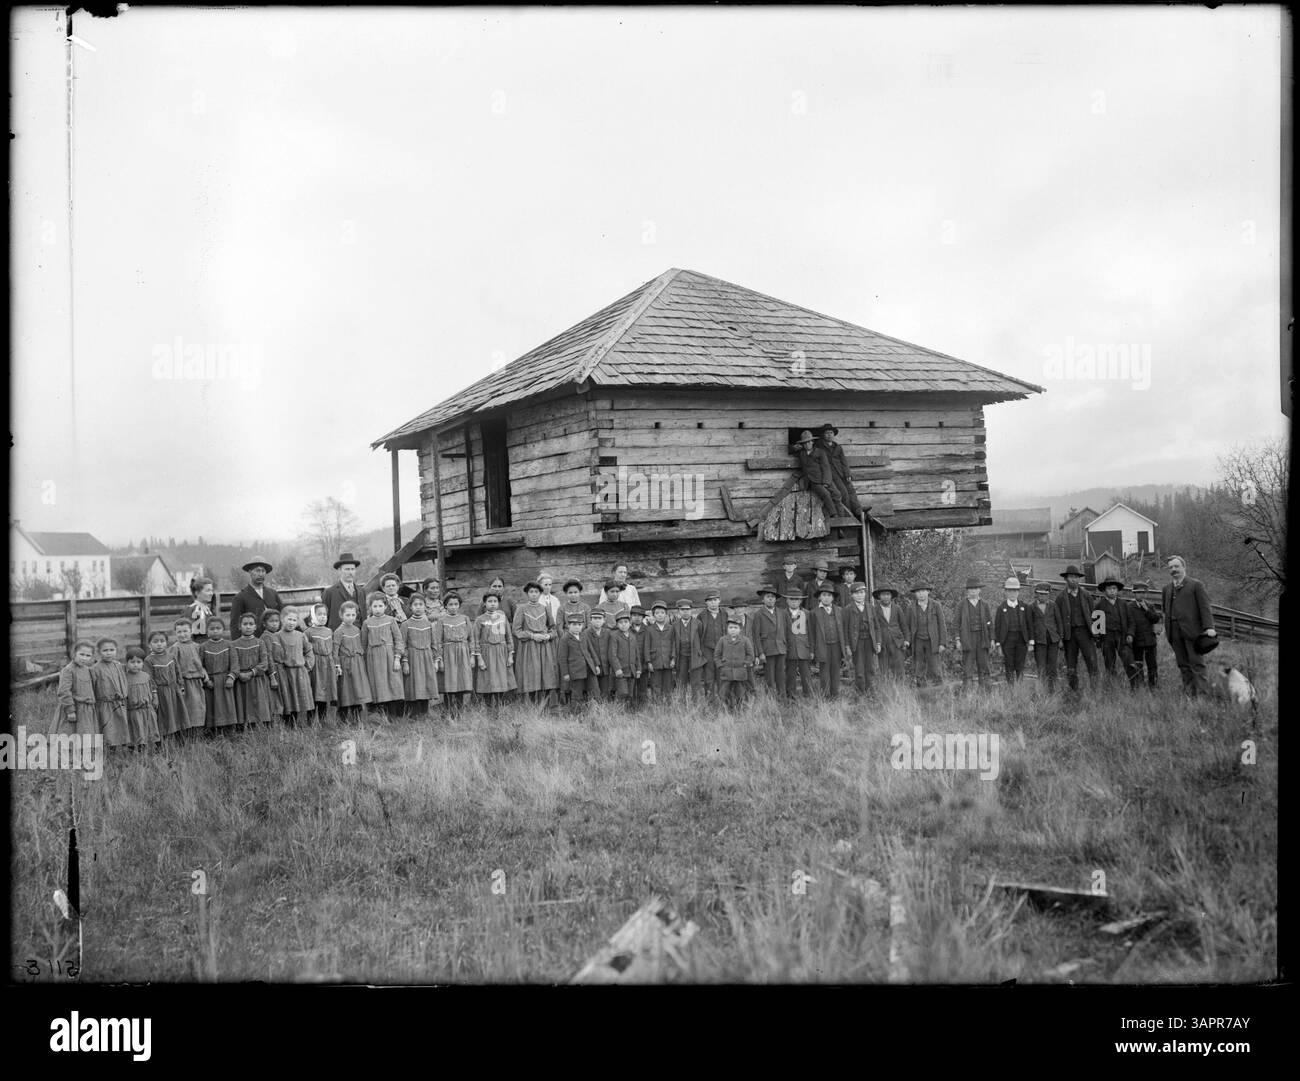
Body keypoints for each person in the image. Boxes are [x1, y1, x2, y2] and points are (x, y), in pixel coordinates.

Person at [1162, 556, 1216, 696]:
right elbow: (1165, 611)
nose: (1173, 570)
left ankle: (1203, 696)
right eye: (1171, 567)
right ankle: (1189, 695)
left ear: (1184, 567)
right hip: (1174, 633)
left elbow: (1204, 607)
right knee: (1183, 665)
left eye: (1176, 566)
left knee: (1197, 664)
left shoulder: (1196, 585)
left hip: (1193, 632)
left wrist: (1209, 628)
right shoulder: (1166, 589)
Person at [1053, 566, 1100, 692]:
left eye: (1076, 577)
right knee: (1071, 665)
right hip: (1069, 635)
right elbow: (1057, 620)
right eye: (1071, 577)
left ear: (1078, 579)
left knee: (1092, 661)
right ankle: (1074, 691)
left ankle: (1096, 690)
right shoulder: (1060, 598)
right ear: (1066, 579)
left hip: (1085, 633)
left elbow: (1095, 614)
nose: (1073, 580)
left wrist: (1097, 634)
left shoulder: (1086, 595)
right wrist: (1060, 638)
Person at [513, 581, 559, 706]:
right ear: (527, 594)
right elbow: (516, 630)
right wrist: (532, 636)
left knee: (547, 675)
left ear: (540, 593)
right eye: (531, 592)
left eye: (536, 592)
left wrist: (548, 635)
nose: (534, 594)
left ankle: (546, 707)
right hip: (529, 648)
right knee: (532, 675)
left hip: (545, 647)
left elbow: (553, 628)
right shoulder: (522, 608)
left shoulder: (545, 608)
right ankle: (532, 707)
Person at [362, 592, 405, 722]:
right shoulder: (367, 623)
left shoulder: (391, 620)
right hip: (373, 657)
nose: (378, 609)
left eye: (380, 606)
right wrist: (364, 662)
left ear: (385, 606)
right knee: (378, 684)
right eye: (375, 606)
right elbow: (363, 644)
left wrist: (397, 657)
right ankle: (381, 716)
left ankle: (395, 715)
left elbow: (398, 639)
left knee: (393, 682)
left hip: (390, 655)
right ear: (370, 608)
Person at [230, 612, 274, 727]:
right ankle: (244, 726)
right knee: (243, 703)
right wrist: (239, 674)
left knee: (260, 702)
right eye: (245, 624)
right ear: (240, 626)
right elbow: (233, 663)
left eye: (251, 624)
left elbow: (264, 663)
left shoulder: (260, 643)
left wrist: (251, 672)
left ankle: (263, 726)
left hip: (257, 679)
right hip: (241, 680)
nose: (248, 626)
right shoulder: (234, 644)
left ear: (255, 626)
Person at [791, 430, 847, 522]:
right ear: (802, 444)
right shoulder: (801, 453)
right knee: (826, 494)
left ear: (812, 442)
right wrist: (794, 448)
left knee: (837, 494)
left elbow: (826, 468)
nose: (807, 444)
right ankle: (834, 515)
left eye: (809, 442)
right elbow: (789, 450)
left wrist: (826, 482)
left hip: (824, 479)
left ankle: (842, 518)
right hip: (813, 481)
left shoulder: (820, 452)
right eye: (805, 443)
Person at [434, 592, 475, 716]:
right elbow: (438, 641)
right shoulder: (441, 621)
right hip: (448, 653)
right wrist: (439, 659)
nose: (453, 607)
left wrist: (472, 655)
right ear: (445, 606)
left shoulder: (465, 619)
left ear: (459, 605)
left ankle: (459, 711)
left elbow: (471, 638)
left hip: (463, 653)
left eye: (456, 604)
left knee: (461, 682)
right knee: (449, 683)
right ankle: (448, 711)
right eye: (450, 604)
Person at [400, 592, 440, 719]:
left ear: (425, 607)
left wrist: (435, 660)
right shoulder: (405, 624)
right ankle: (413, 715)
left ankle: (425, 713)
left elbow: (434, 643)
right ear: (410, 607)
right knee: (414, 685)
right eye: (415, 605)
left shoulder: (428, 624)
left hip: (427, 658)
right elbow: (403, 645)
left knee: (426, 684)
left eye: (421, 604)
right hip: (413, 658)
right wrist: (405, 662)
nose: (418, 607)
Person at [473, 592, 516, 707]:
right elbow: (475, 640)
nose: (492, 604)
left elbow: (508, 636)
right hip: (487, 653)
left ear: (498, 603)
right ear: (484, 604)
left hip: (501, 652)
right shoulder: (480, 620)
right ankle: (489, 708)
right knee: (488, 680)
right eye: (490, 601)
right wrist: (480, 658)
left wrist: (510, 655)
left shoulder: (502, 617)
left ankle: (499, 708)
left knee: (501, 680)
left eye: (495, 601)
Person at [808, 584, 852, 698]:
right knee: (824, 672)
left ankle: (835, 694)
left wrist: (846, 646)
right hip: (823, 646)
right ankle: (825, 695)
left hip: (837, 645)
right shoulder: (813, 613)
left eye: (829, 595)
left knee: (836, 671)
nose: (826, 597)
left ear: (833, 598)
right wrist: (812, 650)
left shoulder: (839, 611)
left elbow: (844, 629)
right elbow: (811, 633)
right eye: (824, 595)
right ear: (819, 597)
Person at [273, 607, 314, 725]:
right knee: (288, 697)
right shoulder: (277, 636)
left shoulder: (301, 635)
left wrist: (308, 665)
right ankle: (289, 723)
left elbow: (309, 650)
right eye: (289, 619)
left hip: (300, 672)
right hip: (285, 672)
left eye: (294, 620)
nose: (291, 623)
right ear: (282, 619)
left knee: (302, 696)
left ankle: (304, 723)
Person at [331, 601, 372, 722]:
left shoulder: (356, 629)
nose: (350, 618)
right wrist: (337, 665)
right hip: (345, 664)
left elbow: (360, 646)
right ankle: (343, 717)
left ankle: (357, 717)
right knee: (346, 690)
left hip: (357, 664)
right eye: (347, 615)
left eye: (353, 615)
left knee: (357, 689)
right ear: (341, 615)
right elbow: (335, 650)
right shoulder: (339, 631)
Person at [145, 630, 189, 738]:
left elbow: (178, 671)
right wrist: (154, 694)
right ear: (149, 644)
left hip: (174, 690)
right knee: (165, 715)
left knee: (176, 712)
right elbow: (149, 679)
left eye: (162, 641)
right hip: (161, 692)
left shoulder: (171, 656)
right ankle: (164, 740)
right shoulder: (149, 660)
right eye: (155, 642)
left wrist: (181, 686)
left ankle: (179, 737)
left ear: (166, 643)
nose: (159, 644)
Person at [953, 578, 994, 691]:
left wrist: (992, 639)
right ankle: (967, 694)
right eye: (970, 589)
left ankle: (985, 693)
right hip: (967, 638)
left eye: (975, 589)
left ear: (979, 590)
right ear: (967, 591)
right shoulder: (961, 605)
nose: (973, 591)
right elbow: (956, 623)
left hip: (982, 638)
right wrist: (957, 639)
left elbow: (990, 623)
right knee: (967, 668)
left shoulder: (985, 605)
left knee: (984, 667)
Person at [819, 423, 865, 520]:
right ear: (823, 435)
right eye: (827, 433)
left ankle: (858, 510)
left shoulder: (838, 447)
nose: (829, 435)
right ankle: (849, 515)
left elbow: (844, 461)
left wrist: (847, 474)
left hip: (841, 472)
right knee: (843, 493)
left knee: (851, 490)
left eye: (831, 433)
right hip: (831, 474)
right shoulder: (819, 446)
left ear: (834, 434)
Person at [90, 638, 131, 749]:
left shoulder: (118, 665)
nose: (109, 653)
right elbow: (92, 687)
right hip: (105, 703)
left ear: (116, 650)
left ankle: (123, 747)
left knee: (121, 724)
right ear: (98, 652)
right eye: (105, 650)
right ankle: (109, 748)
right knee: (109, 726)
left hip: (119, 702)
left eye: (112, 650)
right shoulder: (95, 669)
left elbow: (123, 680)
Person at [993, 577, 1035, 683]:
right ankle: (1011, 688)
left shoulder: (1024, 607)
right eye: (1010, 591)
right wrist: (998, 644)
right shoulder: (1001, 608)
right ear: (1005, 592)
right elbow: (997, 627)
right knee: (1009, 664)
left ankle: (1019, 687)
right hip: (1007, 640)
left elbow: (1029, 625)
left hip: (1021, 639)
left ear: (1018, 592)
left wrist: (1031, 641)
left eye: (1015, 591)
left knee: (1020, 664)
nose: (1012, 593)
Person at [172, 619, 210, 736]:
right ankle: (185, 735)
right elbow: (174, 666)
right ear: (175, 633)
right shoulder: (175, 648)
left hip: (197, 682)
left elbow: (201, 663)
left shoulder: (197, 646)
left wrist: (205, 676)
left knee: (199, 707)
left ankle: (198, 734)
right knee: (185, 708)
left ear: (191, 631)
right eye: (179, 632)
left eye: (185, 631)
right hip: (184, 682)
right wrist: (179, 682)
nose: (182, 634)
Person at [228, 557, 281, 638]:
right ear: (250, 572)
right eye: (257, 570)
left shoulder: (273, 593)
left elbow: (282, 615)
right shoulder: (240, 597)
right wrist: (237, 645)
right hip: (253, 641)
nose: (260, 574)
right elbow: (235, 625)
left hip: (274, 639)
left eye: (263, 571)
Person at [200, 618, 239, 731]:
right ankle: (213, 730)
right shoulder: (203, 647)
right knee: (212, 705)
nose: (215, 631)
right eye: (212, 629)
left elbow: (235, 663)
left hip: (225, 680)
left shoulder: (229, 645)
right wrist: (206, 680)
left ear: (223, 630)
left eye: (218, 628)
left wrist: (231, 677)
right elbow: (200, 665)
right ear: (207, 631)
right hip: (211, 682)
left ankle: (229, 729)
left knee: (227, 704)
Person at [750, 585, 789, 697]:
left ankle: (782, 698)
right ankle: (771, 699)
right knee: (770, 677)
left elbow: (786, 631)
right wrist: (760, 652)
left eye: (772, 597)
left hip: (781, 649)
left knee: (781, 676)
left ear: (776, 599)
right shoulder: (758, 614)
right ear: (763, 599)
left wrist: (785, 646)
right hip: (768, 650)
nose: (770, 599)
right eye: (768, 597)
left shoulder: (782, 613)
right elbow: (756, 635)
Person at [557, 612, 601, 710]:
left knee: (594, 689)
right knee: (577, 692)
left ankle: (596, 711)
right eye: (574, 625)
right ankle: (576, 712)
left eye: (579, 625)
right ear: (568, 626)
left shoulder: (584, 636)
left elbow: (591, 651)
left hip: (589, 668)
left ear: (582, 626)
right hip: (575, 671)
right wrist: (565, 673)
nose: (577, 627)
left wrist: (596, 665)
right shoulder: (565, 639)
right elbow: (562, 658)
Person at [844, 581, 881, 694]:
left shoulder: (870, 607)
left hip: (869, 641)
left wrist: (878, 642)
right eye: (857, 593)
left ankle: (871, 691)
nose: (860, 595)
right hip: (856, 642)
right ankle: (861, 692)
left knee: (870, 667)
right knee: (859, 669)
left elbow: (876, 627)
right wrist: (847, 646)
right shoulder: (847, 609)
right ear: (852, 595)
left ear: (865, 594)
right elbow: (845, 629)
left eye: (862, 592)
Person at [55, 640, 98, 738]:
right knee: (70, 731)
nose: (84, 658)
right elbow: (64, 691)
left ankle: (84, 749)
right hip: (75, 707)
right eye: (81, 654)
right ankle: (68, 750)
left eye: (88, 656)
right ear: (74, 654)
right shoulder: (68, 670)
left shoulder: (87, 670)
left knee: (85, 731)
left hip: (86, 708)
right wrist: (70, 710)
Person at [1093, 578, 1132, 680]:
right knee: (1109, 663)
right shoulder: (1099, 606)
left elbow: (1131, 621)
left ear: (1117, 590)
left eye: (1114, 588)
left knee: (1128, 661)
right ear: (1105, 590)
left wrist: (1130, 634)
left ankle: (1134, 685)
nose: (1112, 591)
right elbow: (1096, 626)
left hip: (1122, 637)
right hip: (1107, 638)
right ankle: (1112, 685)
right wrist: (1098, 640)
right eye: (1109, 588)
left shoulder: (1124, 604)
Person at [908, 585, 947, 687]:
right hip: (918, 641)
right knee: (919, 666)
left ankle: (939, 689)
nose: (921, 594)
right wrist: (908, 642)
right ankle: (921, 691)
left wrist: (942, 643)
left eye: (923, 591)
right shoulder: (911, 607)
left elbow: (942, 625)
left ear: (928, 592)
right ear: (915, 594)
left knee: (935, 666)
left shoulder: (935, 605)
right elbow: (907, 626)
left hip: (932, 641)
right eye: (918, 592)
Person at [304, 603, 338, 722]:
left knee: (324, 692)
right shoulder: (308, 632)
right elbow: (305, 650)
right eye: (319, 614)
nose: (323, 617)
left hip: (327, 664)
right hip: (315, 665)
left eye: (325, 614)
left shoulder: (329, 631)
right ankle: (311, 720)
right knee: (315, 690)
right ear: (313, 615)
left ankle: (323, 720)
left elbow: (333, 648)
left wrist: (334, 663)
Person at [1126, 582, 1162, 691]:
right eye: (1138, 593)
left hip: (1150, 641)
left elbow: (1155, 619)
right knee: (1138, 665)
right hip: (1137, 641)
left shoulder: (1150, 606)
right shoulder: (1129, 607)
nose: (1140, 595)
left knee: (1152, 665)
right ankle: (1139, 686)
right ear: (1134, 594)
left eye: (1143, 592)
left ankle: (1153, 686)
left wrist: (1146, 609)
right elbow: (1128, 623)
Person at [123, 647, 162, 748]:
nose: (135, 665)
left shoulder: (146, 676)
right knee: (136, 729)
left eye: (139, 662)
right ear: (126, 663)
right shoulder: (124, 677)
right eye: (132, 662)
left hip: (147, 709)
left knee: (152, 728)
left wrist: (155, 697)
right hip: (133, 710)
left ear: (143, 663)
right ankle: (137, 749)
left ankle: (158, 748)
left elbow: (152, 687)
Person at [690, 591, 726, 697]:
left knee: (721, 674)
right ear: (706, 603)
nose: (713, 603)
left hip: (721, 649)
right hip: (707, 649)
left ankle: (722, 699)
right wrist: (700, 650)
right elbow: (698, 634)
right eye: (710, 601)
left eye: (715, 600)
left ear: (719, 601)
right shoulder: (702, 616)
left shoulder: (724, 614)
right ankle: (710, 700)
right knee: (709, 676)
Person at [715, 616, 755, 708]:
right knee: (724, 692)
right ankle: (724, 709)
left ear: (740, 629)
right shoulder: (723, 640)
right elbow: (717, 655)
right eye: (731, 627)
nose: (733, 630)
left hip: (740, 672)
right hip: (726, 672)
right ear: (727, 629)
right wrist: (721, 666)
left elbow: (750, 654)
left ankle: (739, 708)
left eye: (735, 628)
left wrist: (746, 664)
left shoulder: (745, 640)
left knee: (740, 692)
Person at [1030, 584, 1063, 692]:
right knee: (1041, 666)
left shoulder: (1053, 605)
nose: (1042, 596)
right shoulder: (1031, 607)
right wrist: (1031, 641)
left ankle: (1052, 689)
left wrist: (1061, 638)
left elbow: (1059, 622)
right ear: (1036, 594)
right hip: (1039, 641)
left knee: (1052, 666)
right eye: (1040, 594)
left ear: (1049, 595)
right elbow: (1030, 625)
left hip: (1053, 639)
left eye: (1045, 594)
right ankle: (1042, 690)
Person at [643, 601, 678, 701]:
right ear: (653, 615)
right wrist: (648, 662)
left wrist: (673, 659)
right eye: (657, 613)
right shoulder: (649, 629)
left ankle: (668, 704)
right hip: (655, 661)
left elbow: (674, 644)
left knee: (668, 685)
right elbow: (646, 646)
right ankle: (657, 705)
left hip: (667, 661)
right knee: (655, 684)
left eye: (662, 613)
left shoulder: (671, 628)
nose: (660, 615)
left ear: (666, 614)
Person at [784, 590, 816, 699]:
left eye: (796, 599)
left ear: (801, 600)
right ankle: (791, 696)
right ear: (787, 600)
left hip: (804, 648)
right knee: (790, 674)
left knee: (806, 674)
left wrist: (811, 650)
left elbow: (811, 632)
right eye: (791, 599)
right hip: (790, 648)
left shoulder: (807, 614)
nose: (794, 602)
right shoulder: (783, 614)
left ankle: (808, 694)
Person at [873, 585, 909, 679]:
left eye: (888, 594)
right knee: (884, 669)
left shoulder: (897, 608)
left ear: (891, 596)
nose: (886, 597)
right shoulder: (874, 610)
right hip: (882, 643)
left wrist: (907, 640)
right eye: (883, 594)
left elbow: (903, 625)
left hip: (897, 642)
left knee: (899, 667)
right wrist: (877, 642)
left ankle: (901, 689)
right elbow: (874, 627)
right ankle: (887, 689)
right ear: (879, 596)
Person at [323, 554, 366, 631]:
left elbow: (363, 615)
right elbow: (325, 617)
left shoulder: (361, 591)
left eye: (352, 569)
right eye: (347, 569)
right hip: (338, 636)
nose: (350, 572)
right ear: (339, 570)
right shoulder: (329, 592)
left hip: (358, 634)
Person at [610, 611, 641, 701]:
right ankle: (620, 711)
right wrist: (617, 669)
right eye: (620, 623)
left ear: (630, 623)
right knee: (623, 692)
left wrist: (638, 669)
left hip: (632, 670)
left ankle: (629, 712)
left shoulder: (633, 636)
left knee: (630, 694)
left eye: (626, 622)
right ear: (617, 624)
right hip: (621, 671)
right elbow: (613, 654)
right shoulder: (615, 636)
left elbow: (637, 654)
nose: (623, 625)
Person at [583, 609, 614, 699]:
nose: (597, 620)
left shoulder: (608, 632)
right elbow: (587, 652)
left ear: (604, 620)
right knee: (594, 690)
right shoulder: (585, 633)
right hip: (592, 667)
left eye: (600, 618)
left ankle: (604, 709)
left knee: (605, 691)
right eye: (595, 618)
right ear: (590, 620)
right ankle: (594, 709)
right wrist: (594, 664)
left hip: (605, 666)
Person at [673, 599, 697, 694]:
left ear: (691, 610)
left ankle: (696, 703)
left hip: (694, 655)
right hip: (681, 655)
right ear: (679, 611)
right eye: (682, 610)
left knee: (695, 680)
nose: (685, 612)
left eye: (687, 609)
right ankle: (681, 702)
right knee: (681, 679)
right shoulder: (674, 625)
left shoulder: (698, 624)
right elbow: (673, 642)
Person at [186, 576, 219, 641]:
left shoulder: (208, 610)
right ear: (197, 593)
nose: (211, 593)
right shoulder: (191, 610)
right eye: (208, 590)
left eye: (212, 590)